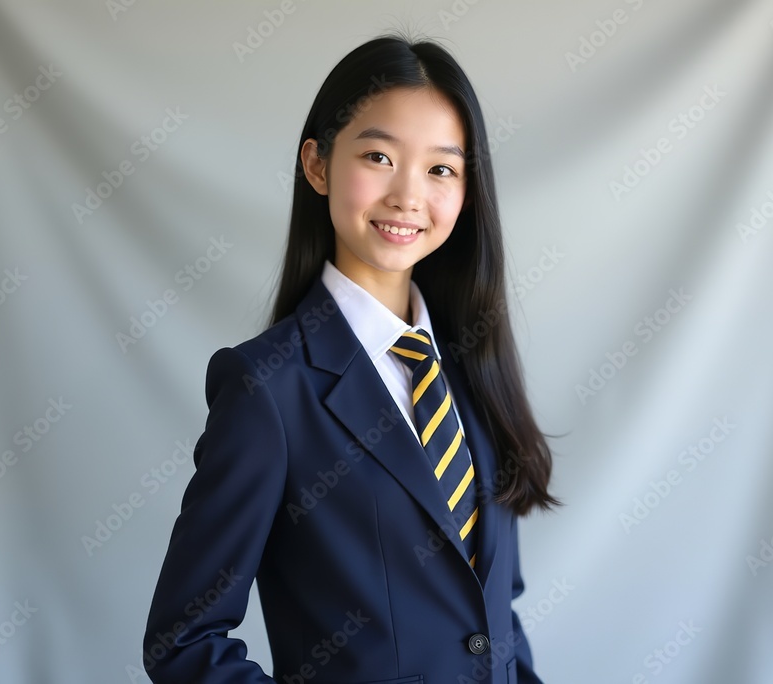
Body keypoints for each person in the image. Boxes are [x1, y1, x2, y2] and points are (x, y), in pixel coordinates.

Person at [143, 32, 560, 684]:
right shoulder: (268, 390)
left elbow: (494, 613)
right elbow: (184, 638)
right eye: (378, 156)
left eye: (441, 169)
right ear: (317, 165)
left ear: (469, 191)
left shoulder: (473, 372)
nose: (407, 196)